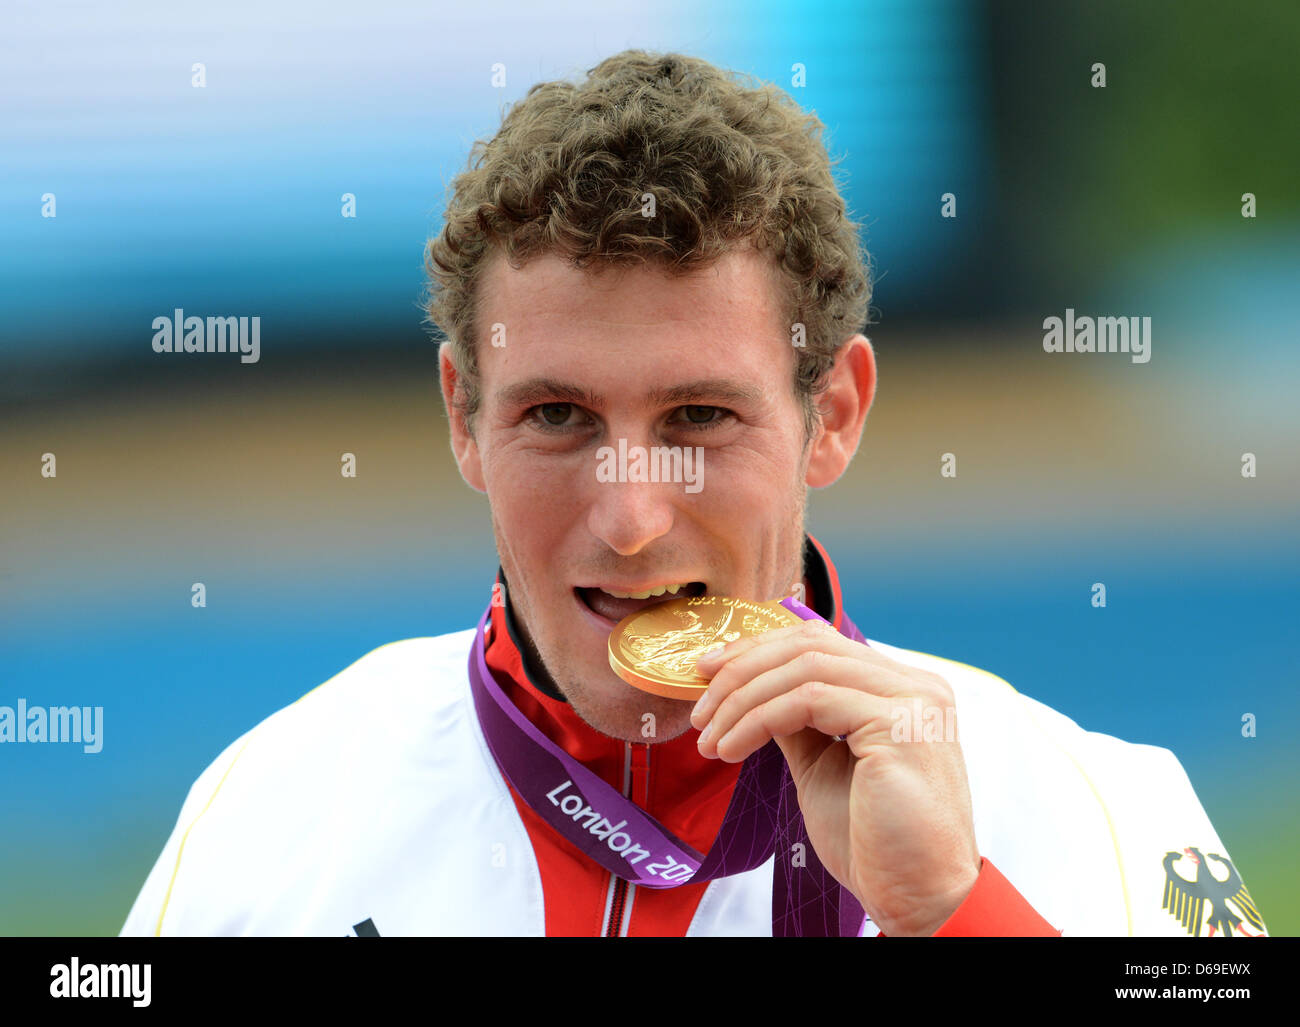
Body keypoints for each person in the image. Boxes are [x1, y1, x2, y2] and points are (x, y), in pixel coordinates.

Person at [120, 50, 1267, 938]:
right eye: (557, 416)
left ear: (833, 414)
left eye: (700, 419)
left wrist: (951, 913)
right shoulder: (274, 812)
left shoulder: (1095, 807)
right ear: (462, 417)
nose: (629, 520)